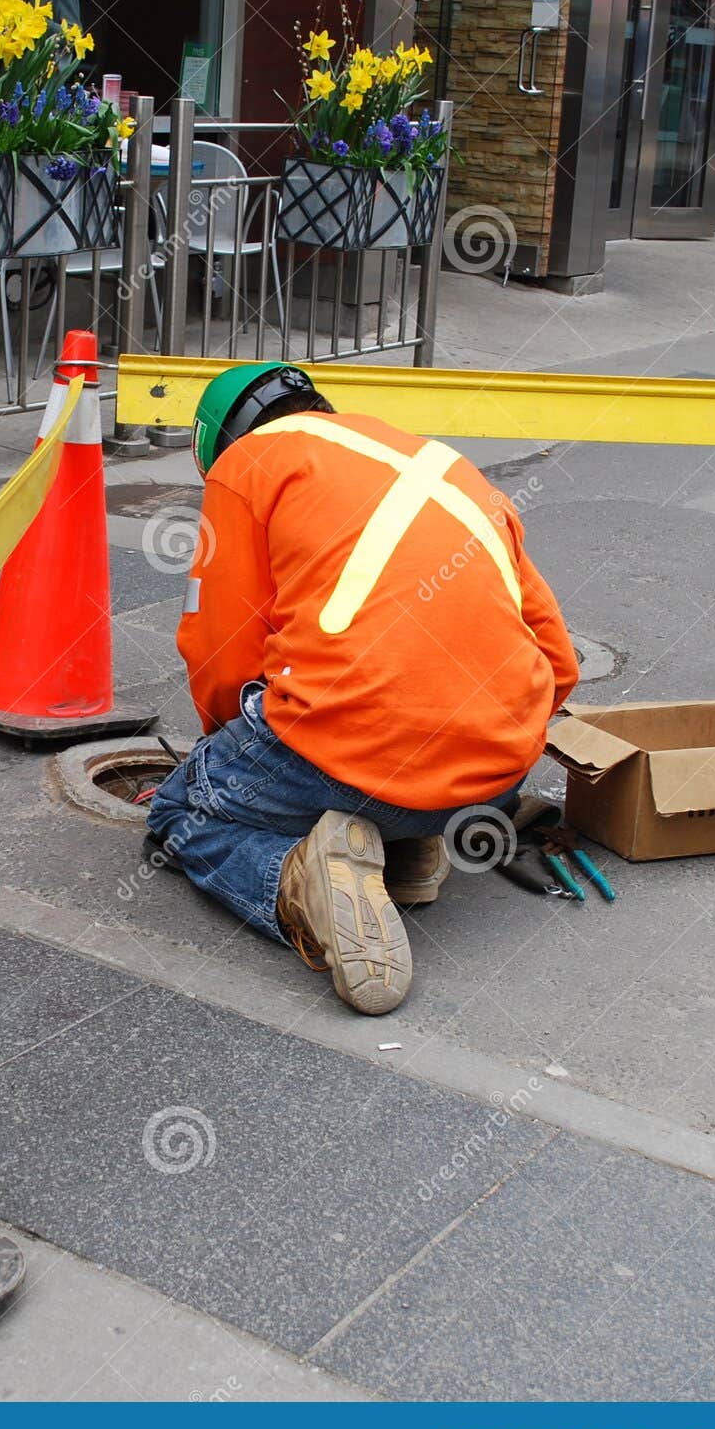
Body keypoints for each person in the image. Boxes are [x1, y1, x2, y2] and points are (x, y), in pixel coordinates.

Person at [146, 363, 578, 1016]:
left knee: (181, 814)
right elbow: (558, 657)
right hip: (491, 778)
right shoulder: (445, 465)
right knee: (389, 737)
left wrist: (228, 757)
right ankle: (408, 849)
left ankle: (299, 881)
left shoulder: (249, 463)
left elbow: (223, 651)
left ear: (218, 444)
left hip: (350, 756)